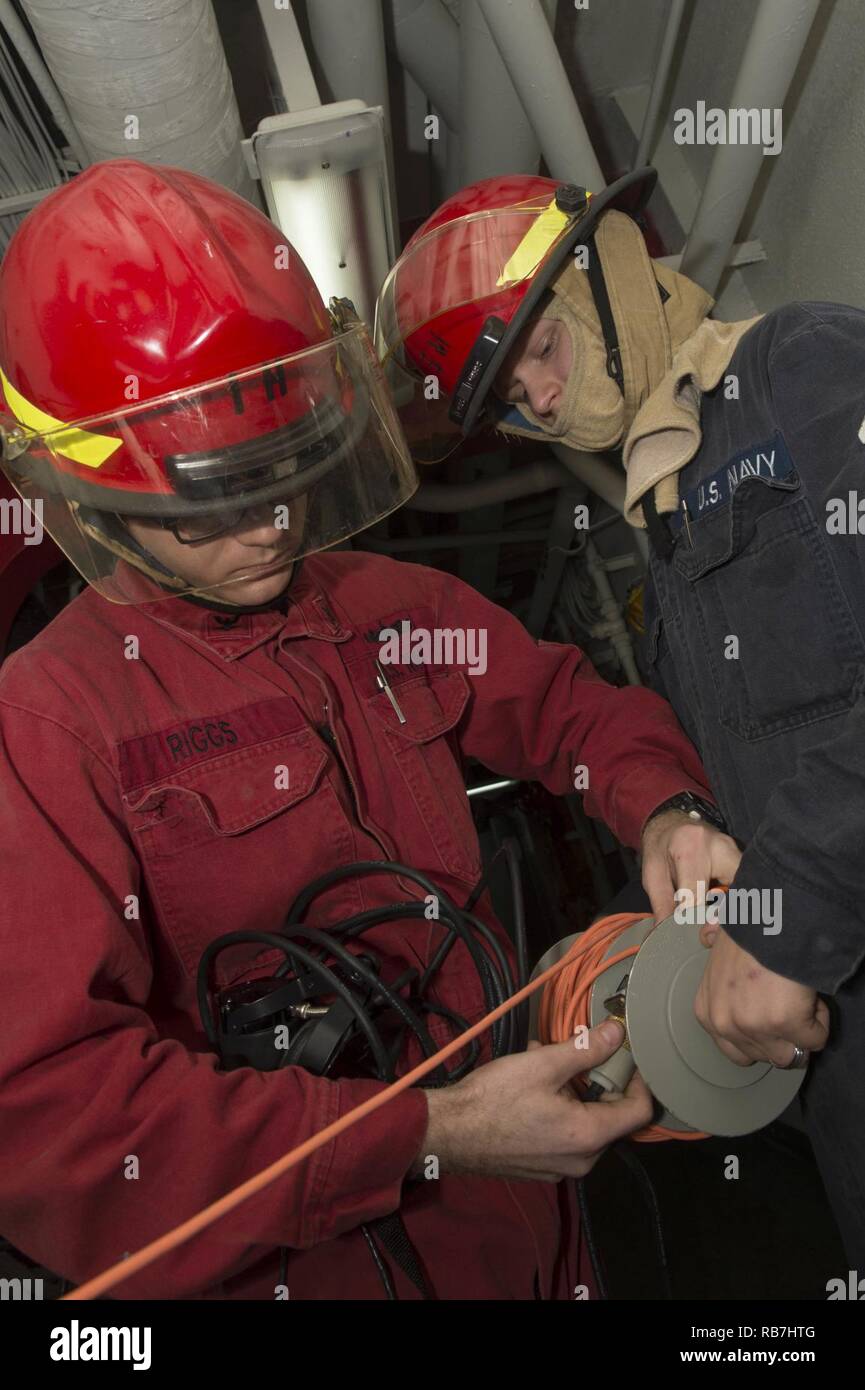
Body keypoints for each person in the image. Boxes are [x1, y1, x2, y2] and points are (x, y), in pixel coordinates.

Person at [0, 159, 737, 1301]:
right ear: (90, 494)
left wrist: (665, 807)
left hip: (539, 1230)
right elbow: (58, 1129)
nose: (272, 526)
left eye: (288, 470)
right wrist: (429, 1133)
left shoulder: (386, 611)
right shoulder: (49, 729)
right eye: (217, 497)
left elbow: (567, 707)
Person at [378, 166, 861, 1263]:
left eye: (536, 351)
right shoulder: (672, 557)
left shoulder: (805, 367)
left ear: (612, 270)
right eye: (509, 402)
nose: (540, 407)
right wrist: (637, 972)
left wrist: (789, 912)